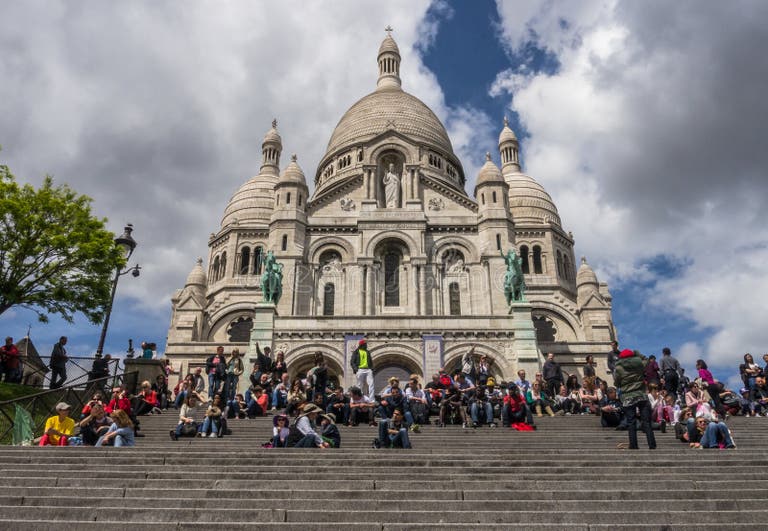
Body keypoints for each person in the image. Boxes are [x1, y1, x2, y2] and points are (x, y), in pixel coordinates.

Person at [614, 349, 656, 450]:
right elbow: (647, 360)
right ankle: (652, 444)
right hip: (641, 395)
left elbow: (617, 383)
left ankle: (633, 445)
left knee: (631, 422)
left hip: (628, 397)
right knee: (646, 421)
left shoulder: (618, 368)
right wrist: (637, 353)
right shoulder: (639, 364)